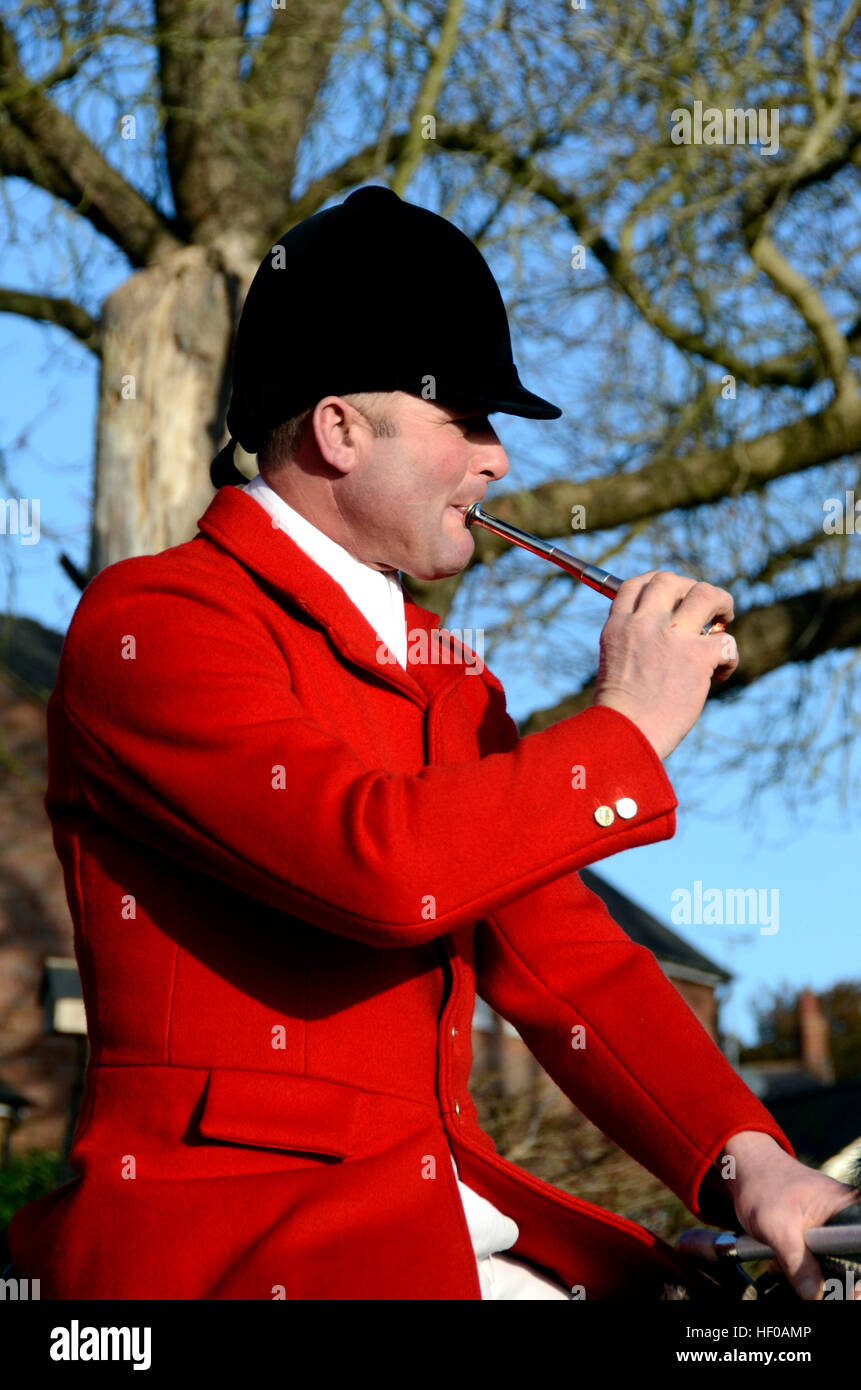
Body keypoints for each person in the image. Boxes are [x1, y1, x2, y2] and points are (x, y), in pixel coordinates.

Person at [8, 186, 858, 1301]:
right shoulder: (154, 623)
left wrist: (760, 1170)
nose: (499, 459)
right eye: (467, 420)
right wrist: (626, 728)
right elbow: (380, 870)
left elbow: (570, 963)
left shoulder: (450, 682)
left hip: (451, 1234)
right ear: (339, 428)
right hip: (235, 1258)